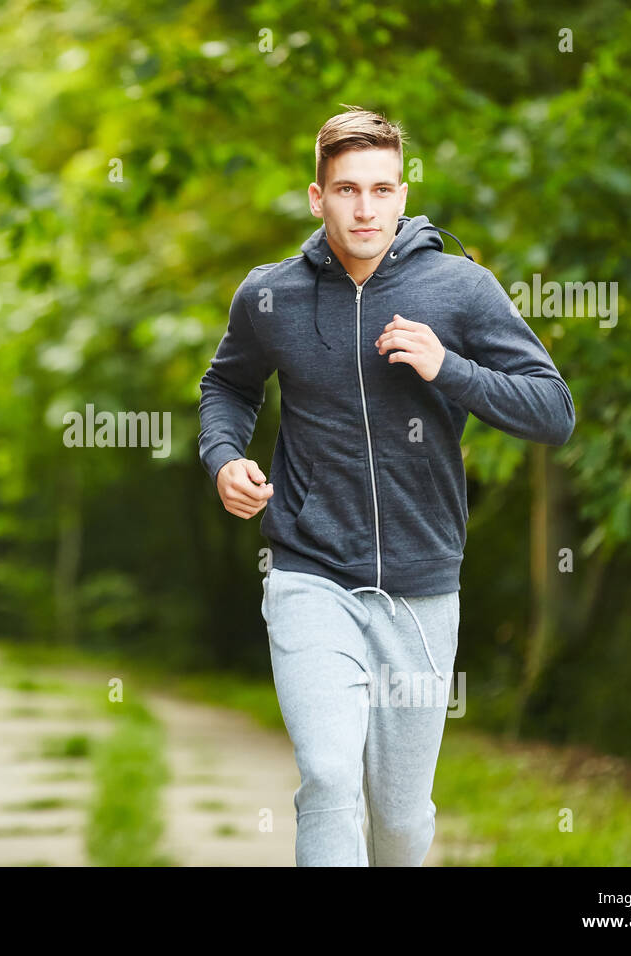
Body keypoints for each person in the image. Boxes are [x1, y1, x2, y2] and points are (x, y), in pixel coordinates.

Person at [197, 106, 574, 866]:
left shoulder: (459, 289)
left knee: (400, 819)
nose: (364, 208)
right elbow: (227, 386)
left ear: (403, 194)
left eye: (380, 189)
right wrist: (223, 457)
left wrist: (451, 368)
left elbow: (553, 411)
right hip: (309, 572)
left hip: (421, 586)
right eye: (346, 190)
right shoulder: (269, 295)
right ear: (317, 197)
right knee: (331, 776)